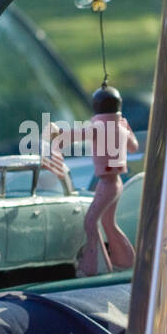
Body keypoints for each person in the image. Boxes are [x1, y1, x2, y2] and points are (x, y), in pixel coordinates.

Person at [56, 84, 138, 275]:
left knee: (90, 222)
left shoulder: (98, 128)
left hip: (106, 184)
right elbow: (133, 147)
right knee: (108, 222)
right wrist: (127, 127)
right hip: (116, 182)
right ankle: (124, 260)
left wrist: (57, 135)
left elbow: (72, 137)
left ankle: (96, 267)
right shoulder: (121, 126)